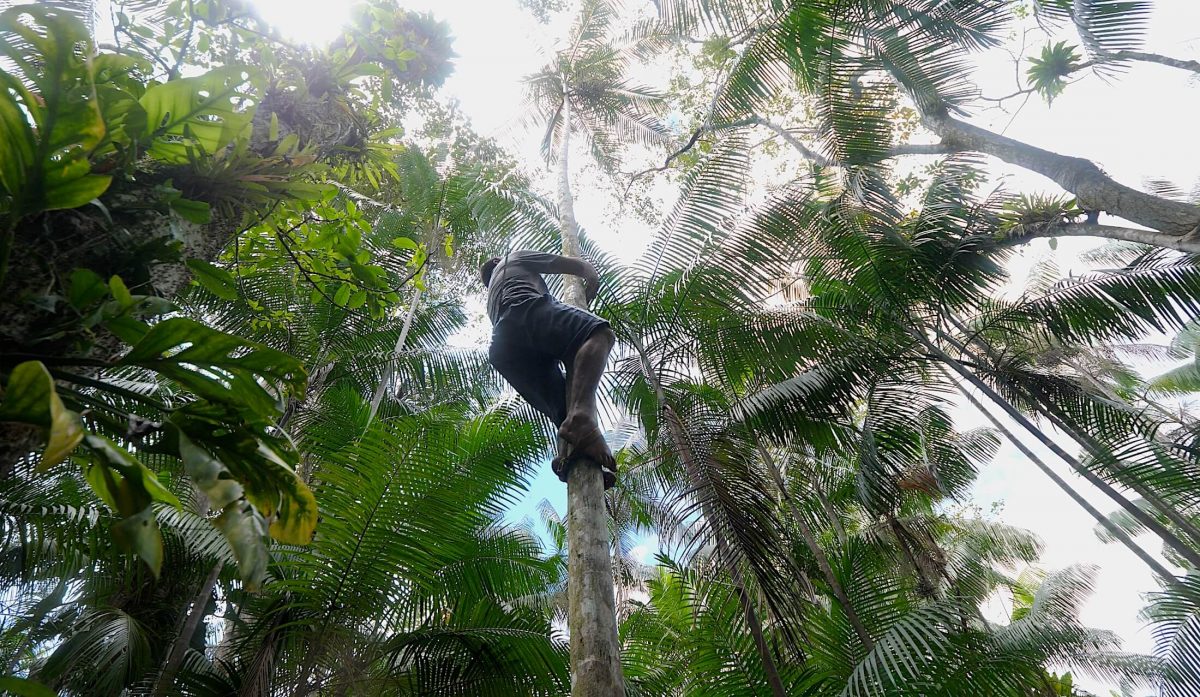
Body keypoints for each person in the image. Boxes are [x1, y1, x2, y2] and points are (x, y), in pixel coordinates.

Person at [480, 250, 617, 487]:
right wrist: (592, 275)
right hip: (525, 310)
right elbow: (567, 264)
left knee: (564, 403)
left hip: (503, 348)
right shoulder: (513, 258)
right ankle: (583, 417)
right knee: (598, 335)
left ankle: (569, 457)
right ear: (496, 262)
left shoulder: (492, 296)